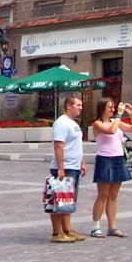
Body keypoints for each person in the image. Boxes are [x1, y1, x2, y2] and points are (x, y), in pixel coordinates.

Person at [90, 98, 132, 238]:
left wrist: (131, 114)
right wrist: (119, 115)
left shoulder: (115, 121)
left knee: (113, 196)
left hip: (118, 158)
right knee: (102, 195)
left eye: (113, 107)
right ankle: (96, 226)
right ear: (102, 109)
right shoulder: (98, 124)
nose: (113, 109)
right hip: (105, 159)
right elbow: (110, 131)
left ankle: (112, 227)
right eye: (109, 107)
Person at [48, 96, 87, 243]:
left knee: (69, 201)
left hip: (74, 166)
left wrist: (82, 161)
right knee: (58, 200)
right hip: (65, 167)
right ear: (69, 106)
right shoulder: (62, 123)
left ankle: (67, 230)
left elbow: (77, 145)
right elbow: (58, 146)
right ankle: (56, 232)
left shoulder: (73, 123)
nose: (80, 107)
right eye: (78, 105)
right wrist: (60, 168)